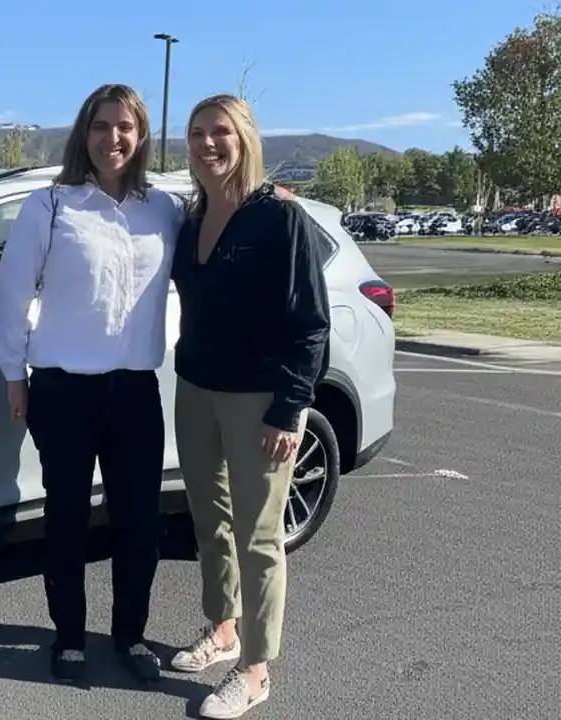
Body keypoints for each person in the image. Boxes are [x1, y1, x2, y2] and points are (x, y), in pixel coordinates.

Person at [0, 83, 185, 684]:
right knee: (67, 518)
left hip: (134, 392)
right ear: (85, 134)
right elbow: (10, 293)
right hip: (62, 389)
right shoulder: (51, 206)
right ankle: (69, 637)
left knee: (137, 524)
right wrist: (13, 373)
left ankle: (129, 635)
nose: (113, 138)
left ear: (142, 135)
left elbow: (220, 234)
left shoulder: (165, 210)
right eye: (102, 127)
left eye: (125, 126)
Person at [166, 94, 330, 719]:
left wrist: (290, 409)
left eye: (221, 133)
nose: (208, 144)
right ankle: (224, 629)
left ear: (246, 139)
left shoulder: (279, 220)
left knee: (259, 536)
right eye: (197, 134)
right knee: (210, 520)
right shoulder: (192, 217)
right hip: (196, 389)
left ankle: (255, 669)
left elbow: (311, 323)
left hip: (259, 398)